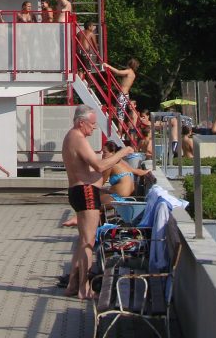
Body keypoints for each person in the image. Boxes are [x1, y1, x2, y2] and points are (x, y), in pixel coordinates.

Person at [61, 107, 131, 300]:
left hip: (77, 190)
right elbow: (98, 166)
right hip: (85, 192)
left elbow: (91, 172)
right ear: (80, 122)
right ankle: (84, 288)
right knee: (89, 242)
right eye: (92, 124)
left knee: (83, 240)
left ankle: (72, 285)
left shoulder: (70, 137)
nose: (93, 128)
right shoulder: (78, 138)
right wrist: (121, 153)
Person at [102, 58, 139, 123]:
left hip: (122, 94)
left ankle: (119, 131)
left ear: (129, 64)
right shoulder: (133, 74)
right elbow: (125, 83)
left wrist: (108, 66)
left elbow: (118, 72)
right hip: (126, 95)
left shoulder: (128, 71)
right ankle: (120, 130)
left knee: (120, 116)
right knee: (121, 114)